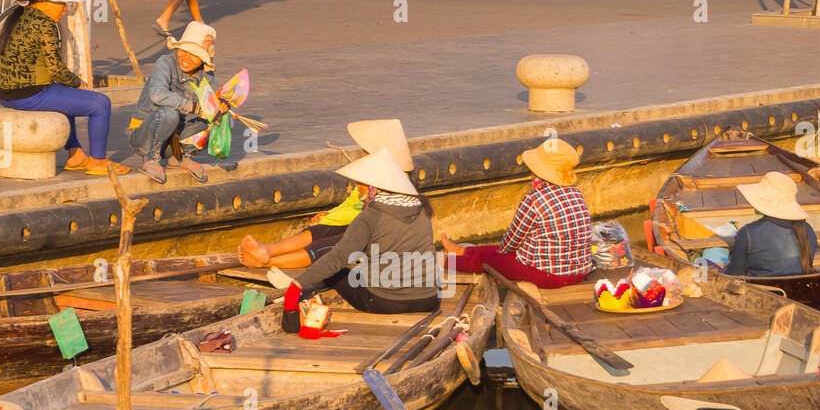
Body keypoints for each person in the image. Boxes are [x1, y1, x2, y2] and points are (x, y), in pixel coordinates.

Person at [268, 149, 440, 315]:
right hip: (429, 299)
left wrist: (297, 284)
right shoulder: (422, 209)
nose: (357, 187)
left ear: (374, 185)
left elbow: (337, 258)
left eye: (361, 182)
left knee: (334, 268)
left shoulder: (371, 216)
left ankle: (306, 293)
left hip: (385, 302)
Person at [0, 0, 128, 175]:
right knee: (101, 103)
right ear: (47, 1)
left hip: (6, 94)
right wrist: (78, 83)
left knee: (65, 93)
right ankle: (97, 160)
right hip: (29, 95)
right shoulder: (45, 24)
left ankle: (75, 154)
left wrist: (71, 85)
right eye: (62, 3)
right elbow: (56, 69)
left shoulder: (18, 16)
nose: (65, 10)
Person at [240, 119, 415, 270]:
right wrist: (330, 216)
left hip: (381, 236)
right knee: (321, 229)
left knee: (333, 243)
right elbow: (353, 203)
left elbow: (366, 214)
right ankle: (268, 250)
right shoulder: (369, 172)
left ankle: (265, 263)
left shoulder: (395, 178)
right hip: (361, 224)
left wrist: (332, 218)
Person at [441, 139, 593, 288]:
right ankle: (460, 250)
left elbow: (509, 245)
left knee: (487, 259)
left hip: (547, 275)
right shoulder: (576, 193)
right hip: (579, 272)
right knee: (495, 250)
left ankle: (445, 262)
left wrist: (500, 252)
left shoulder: (534, 199)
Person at [129, 21, 219, 184]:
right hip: (145, 138)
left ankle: (182, 157)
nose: (186, 58)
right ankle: (151, 158)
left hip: (173, 140)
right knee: (170, 113)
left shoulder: (206, 74)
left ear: (202, 60)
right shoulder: (165, 63)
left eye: (194, 54)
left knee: (217, 119)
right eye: (183, 51)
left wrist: (223, 105)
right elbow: (158, 94)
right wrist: (192, 107)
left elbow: (216, 97)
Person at [726, 172, 818, 277]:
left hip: (759, 290)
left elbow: (735, 273)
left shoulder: (748, 232)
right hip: (797, 289)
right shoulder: (807, 230)